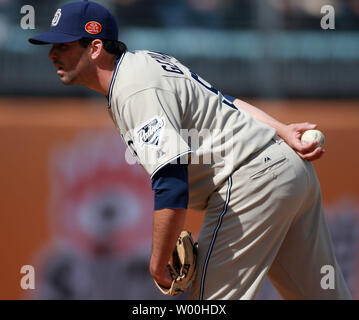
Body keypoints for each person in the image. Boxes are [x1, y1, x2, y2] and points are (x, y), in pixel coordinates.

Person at [29, 1, 351, 300]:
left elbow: (172, 182)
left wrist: (157, 262)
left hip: (250, 181)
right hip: (287, 168)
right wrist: (280, 130)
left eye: (63, 45)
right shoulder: (148, 63)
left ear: (95, 47)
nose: (52, 54)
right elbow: (227, 102)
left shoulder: (133, 89)